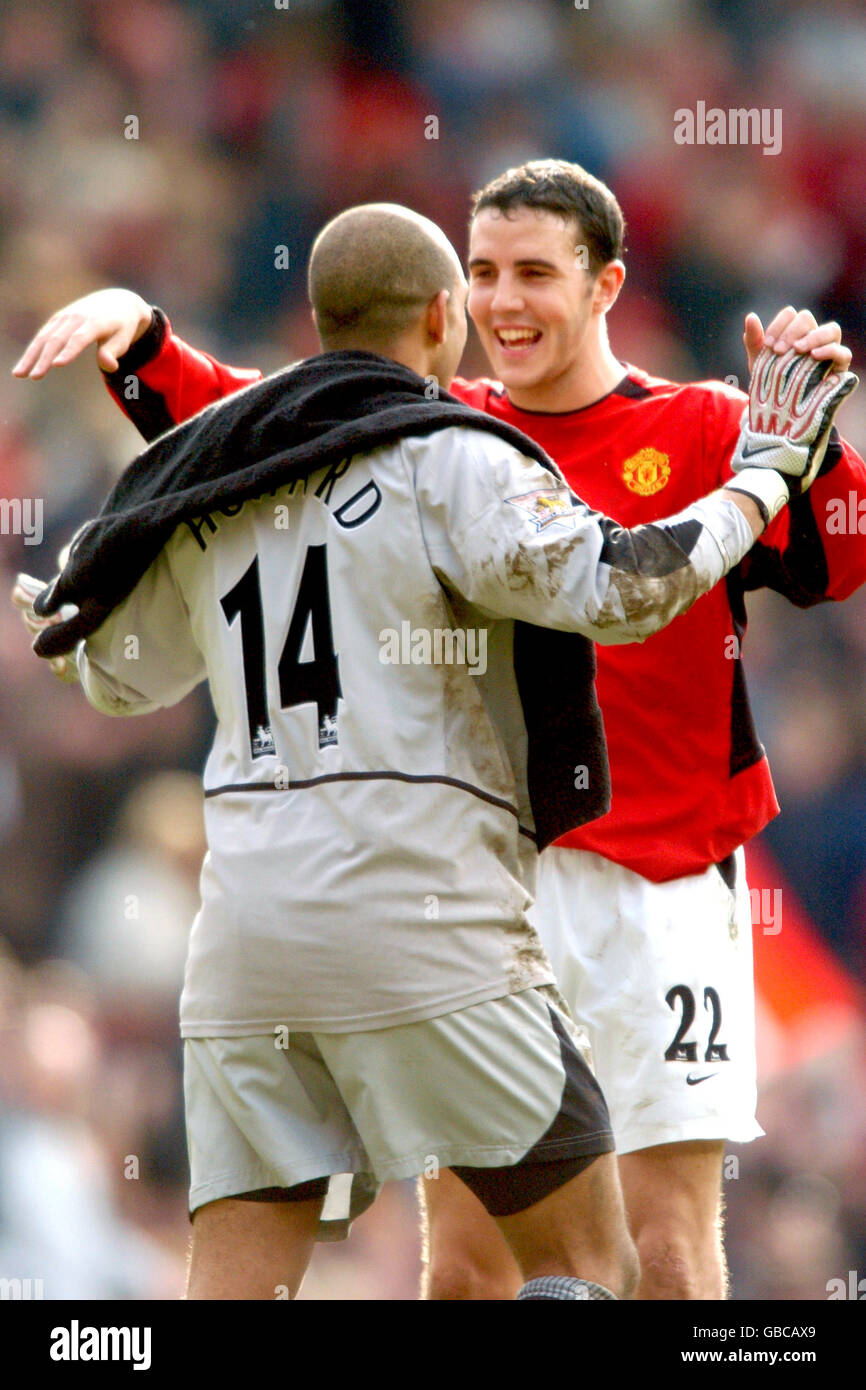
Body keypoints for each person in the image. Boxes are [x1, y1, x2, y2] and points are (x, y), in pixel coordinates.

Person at [13, 176, 862, 1301]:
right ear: (446, 304)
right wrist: (148, 351)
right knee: (462, 1265)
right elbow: (264, 408)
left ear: (604, 283)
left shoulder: (696, 423)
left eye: (533, 273)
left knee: (662, 1252)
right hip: (483, 891)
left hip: (656, 888)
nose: (502, 299)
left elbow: (836, 557)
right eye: (483, 272)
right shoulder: (440, 430)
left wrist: (803, 447)